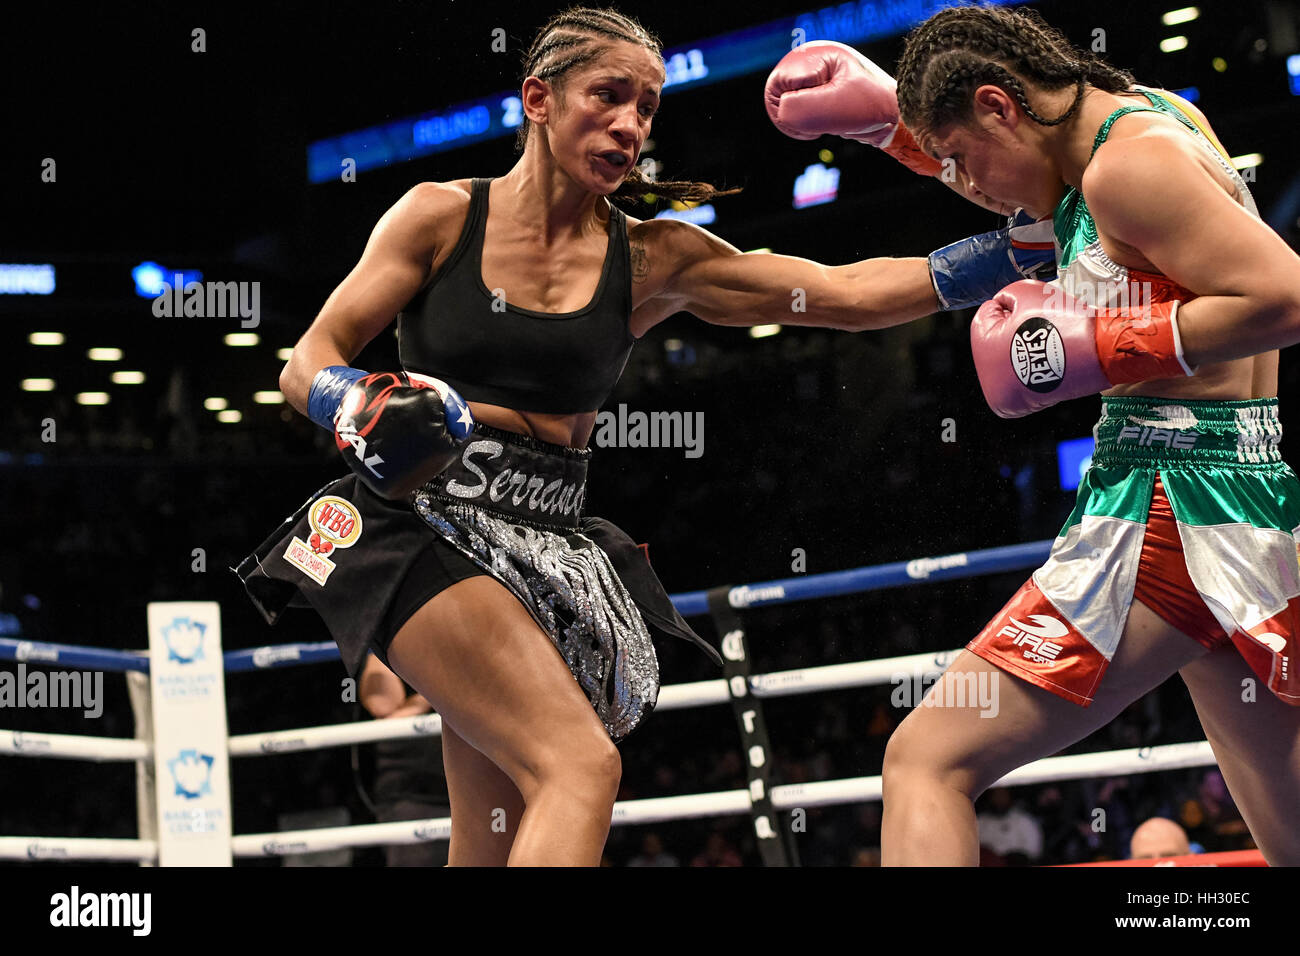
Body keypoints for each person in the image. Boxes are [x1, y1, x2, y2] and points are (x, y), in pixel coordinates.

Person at [235, 6, 1060, 866]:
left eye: (648, 106)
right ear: (539, 100)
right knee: (578, 769)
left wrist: (1016, 249)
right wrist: (354, 400)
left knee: (495, 828)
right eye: (610, 95)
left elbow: (842, 292)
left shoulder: (655, 256)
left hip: (547, 542)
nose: (631, 124)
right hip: (420, 527)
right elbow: (305, 362)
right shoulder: (440, 218)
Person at [861, 5, 1300, 866]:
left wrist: (1103, 348)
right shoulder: (1159, 120)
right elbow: (1026, 166)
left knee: (926, 763)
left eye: (960, 156)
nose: (970, 186)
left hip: (1166, 505)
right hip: (1240, 503)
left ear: (1000, 105)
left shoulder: (1122, 173)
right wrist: (891, 125)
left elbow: (1285, 298)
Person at [359, 651, 451, 867]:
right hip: (412, 792)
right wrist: (436, 691)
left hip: (474, 787)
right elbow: (382, 705)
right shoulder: (388, 636)